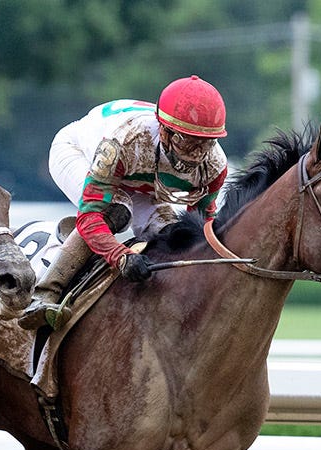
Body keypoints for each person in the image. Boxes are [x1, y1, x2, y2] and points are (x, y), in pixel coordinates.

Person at [19, 75, 229, 330]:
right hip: (78, 152)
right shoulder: (125, 142)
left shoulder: (215, 166)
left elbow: (200, 229)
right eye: (188, 140)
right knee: (115, 212)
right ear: (164, 131)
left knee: (176, 234)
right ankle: (45, 293)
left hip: (139, 178)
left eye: (206, 143)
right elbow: (90, 217)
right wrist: (121, 257)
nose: (197, 155)